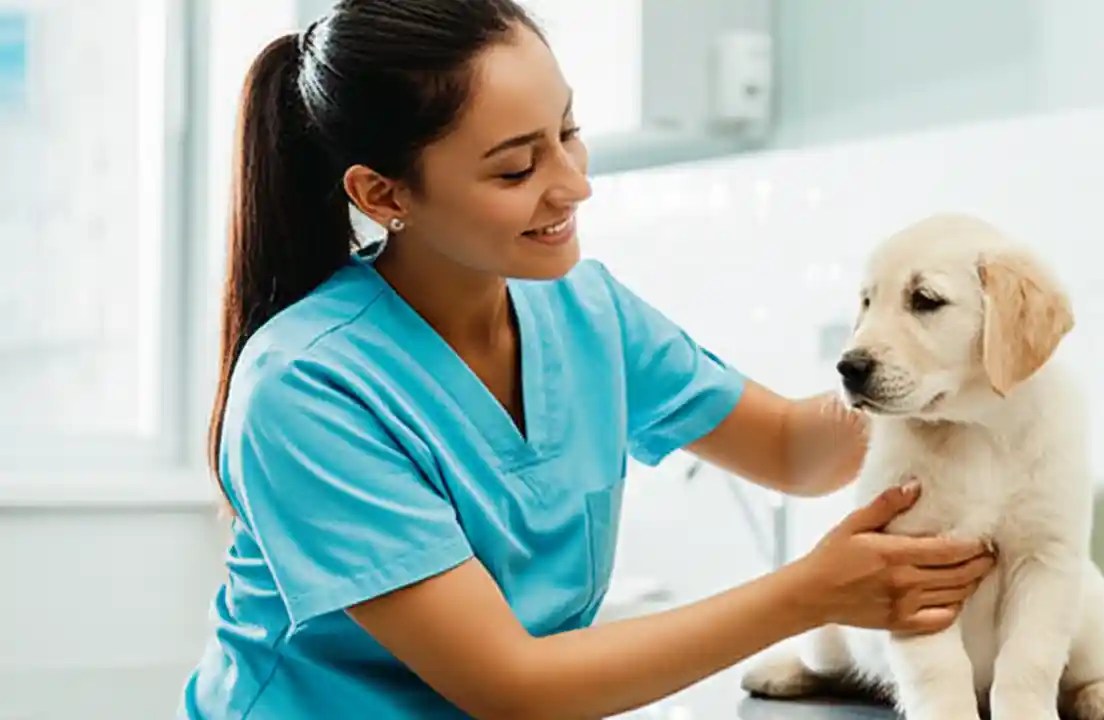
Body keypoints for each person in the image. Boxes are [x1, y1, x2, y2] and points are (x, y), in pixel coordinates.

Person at [179, 1, 995, 718]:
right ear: (385, 196)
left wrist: (955, 365)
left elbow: (789, 446)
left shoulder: (583, 311)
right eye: (517, 166)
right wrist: (809, 594)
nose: (573, 184)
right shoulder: (305, 388)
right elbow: (513, 686)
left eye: (567, 131)